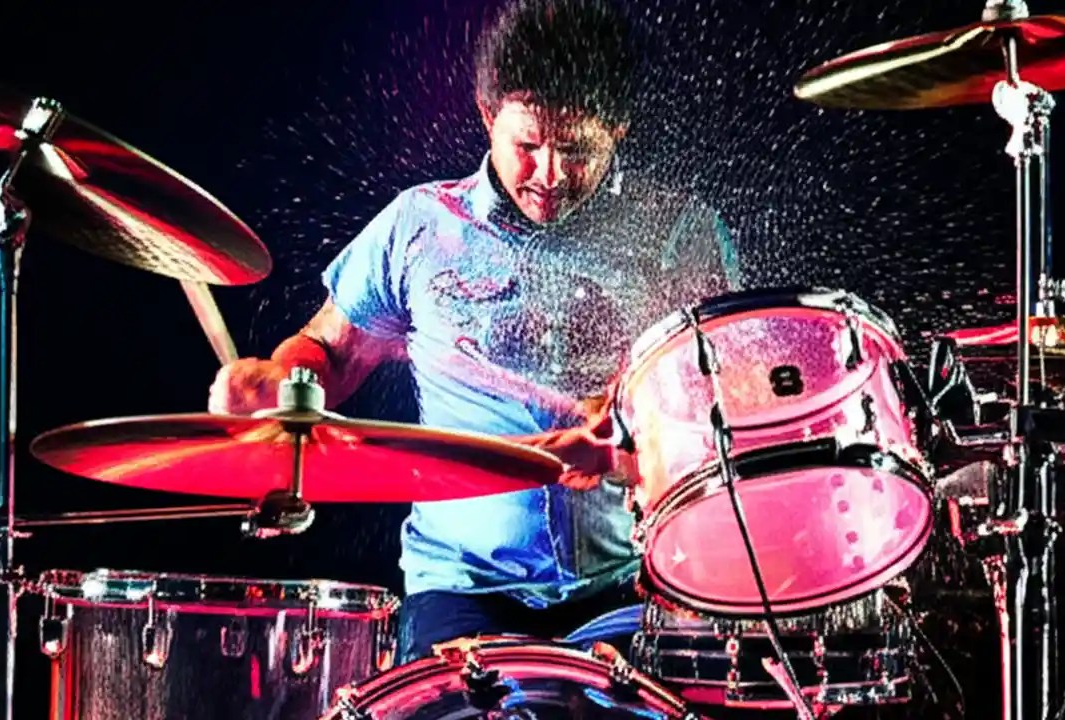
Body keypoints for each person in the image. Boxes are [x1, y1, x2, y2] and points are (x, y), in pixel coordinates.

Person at [208, 0, 741, 666]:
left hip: (629, 583)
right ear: (488, 117)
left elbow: (721, 410)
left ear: (620, 129)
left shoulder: (680, 236)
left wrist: (623, 442)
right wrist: (281, 381)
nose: (549, 174)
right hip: (463, 587)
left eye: (576, 150)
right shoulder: (420, 226)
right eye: (527, 146)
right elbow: (332, 351)